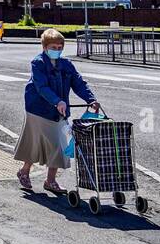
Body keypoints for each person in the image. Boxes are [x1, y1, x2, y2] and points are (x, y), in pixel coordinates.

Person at [13, 28, 101, 192]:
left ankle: (49, 181)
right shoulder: (38, 63)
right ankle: (26, 172)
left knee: (59, 145)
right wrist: (57, 101)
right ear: (45, 47)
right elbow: (41, 87)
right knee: (35, 143)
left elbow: (79, 83)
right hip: (38, 109)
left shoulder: (66, 64)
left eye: (60, 47)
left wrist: (91, 99)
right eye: (54, 47)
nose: (57, 50)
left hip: (58, 111)